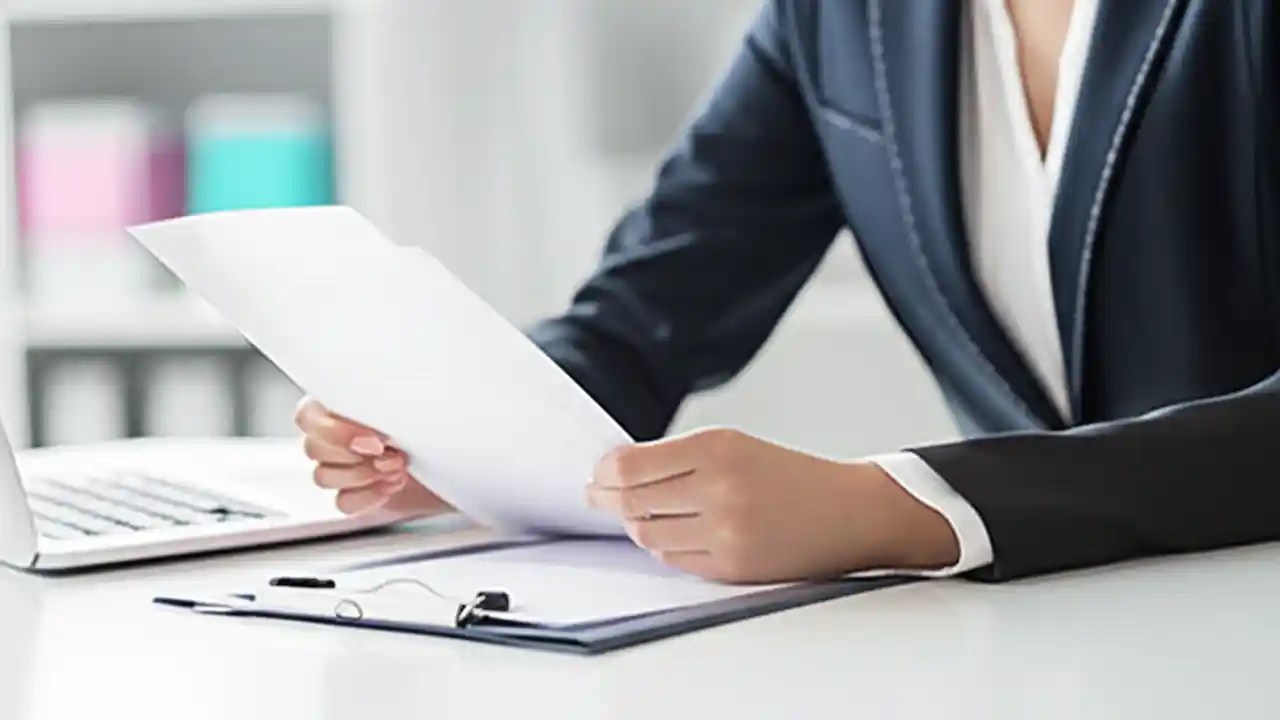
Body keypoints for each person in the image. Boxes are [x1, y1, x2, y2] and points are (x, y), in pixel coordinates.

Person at [296, 0, 1280, 583]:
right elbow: (651, 306)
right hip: (1054, 643)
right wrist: (467, 440)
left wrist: (899, 505)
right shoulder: (839, 15)